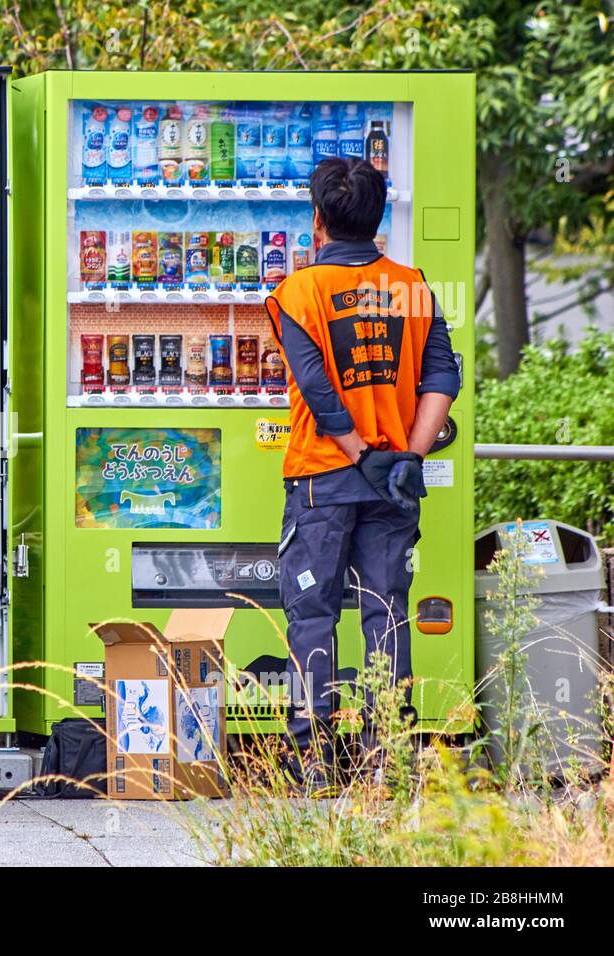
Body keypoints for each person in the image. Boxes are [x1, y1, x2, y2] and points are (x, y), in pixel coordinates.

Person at [263, 157, 460, 789]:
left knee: (312, 614)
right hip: (394, 483)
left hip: (324, 477)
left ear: (317, 222)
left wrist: (359, 451)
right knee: (387, 610)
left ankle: (313, 761)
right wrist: (407, 457)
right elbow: (442, 377)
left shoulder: (298, 293)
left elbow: (318, 390)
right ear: (378, 221)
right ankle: (388, 759)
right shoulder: (412, 285)